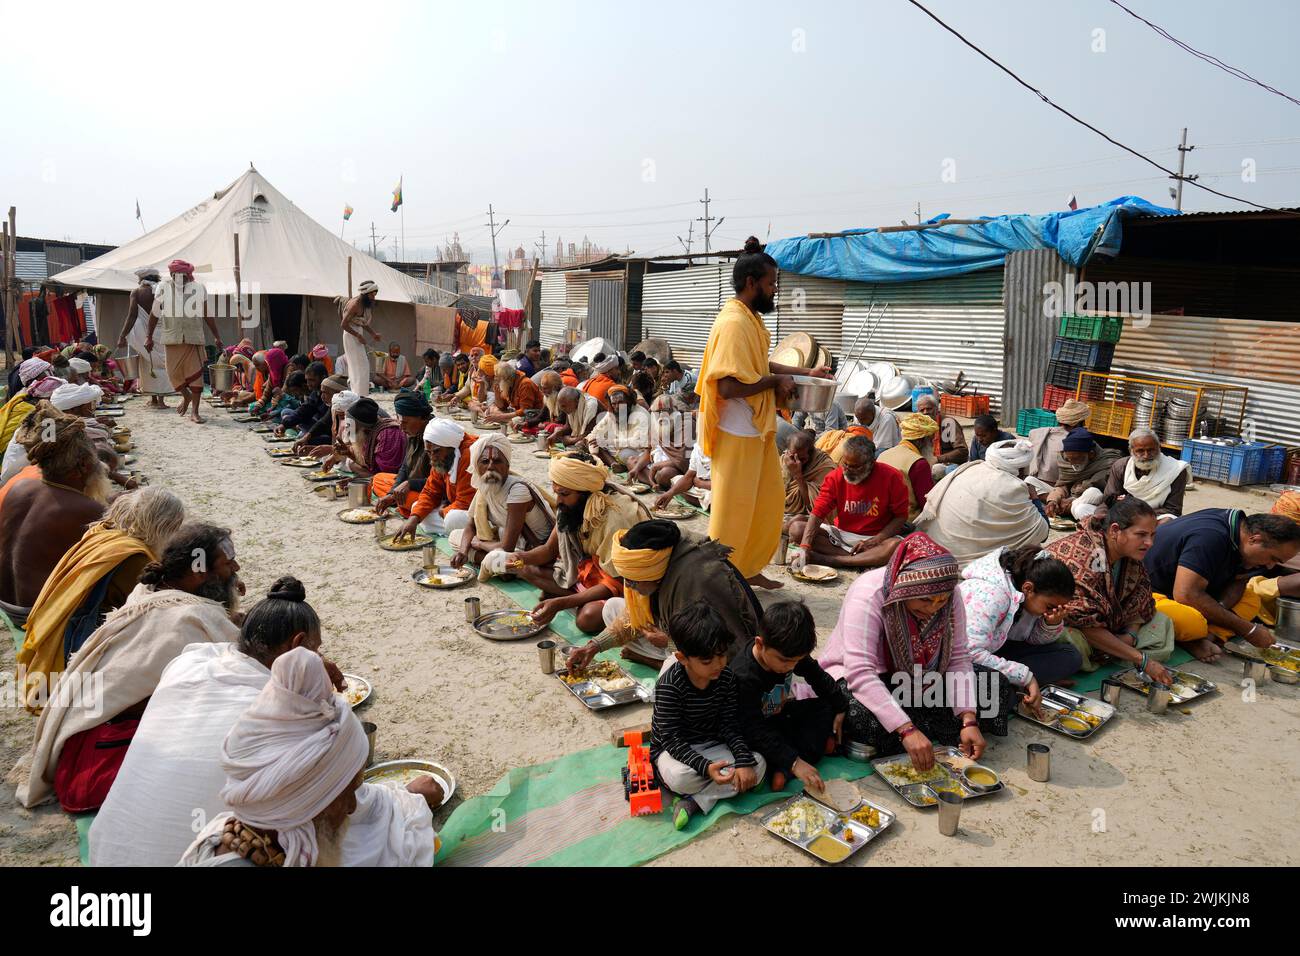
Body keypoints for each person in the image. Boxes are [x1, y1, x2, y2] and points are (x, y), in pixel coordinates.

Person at [89, 578, 361, 866]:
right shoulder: (272, 722)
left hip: (106, 852)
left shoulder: (190, 663)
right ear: (296, 645)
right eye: (314, 650)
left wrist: (305, 670)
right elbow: (329, 795)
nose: (318, 659)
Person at [16, 522, 241, 810]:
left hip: (77, 739)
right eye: (228, 561)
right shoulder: (190, 619)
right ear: (199, 571)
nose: (235, 568)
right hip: (98, 760)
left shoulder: (147, 592)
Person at [179, 648, 439, 866]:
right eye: (347, 793)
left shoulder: (239, 830)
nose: (351, 807)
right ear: (308, 804)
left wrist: (408, 798)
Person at [697, 237, 830, 589]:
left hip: (756, 429)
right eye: (771, 284)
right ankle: (718, 578)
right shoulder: (733, 323)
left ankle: (746, 568)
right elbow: (726, 385)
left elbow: (754, 365)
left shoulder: (749, 319)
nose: (774, 291)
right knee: (732, 512)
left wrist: (805, 373)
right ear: (752, 283)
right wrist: (775, 381)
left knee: (764, 505)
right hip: (735, 431)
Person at [819, 533, 987, 771]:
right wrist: (906, 729)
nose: (933, 609)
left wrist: (968, 719)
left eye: (941, 602)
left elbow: (958, 657)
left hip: (919, 678)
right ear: (904, 590)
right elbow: (861, 672)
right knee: (866, 721)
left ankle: (921, 722)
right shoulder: (869, 593)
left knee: (993, 687)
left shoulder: (950, 594)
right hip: (866, 677)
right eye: (925, 600)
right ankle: (916, 724)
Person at [15, 488, 186, 711]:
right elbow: (158, 613)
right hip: (80, 655)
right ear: (165, 527)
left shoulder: (101, 533)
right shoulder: (135, 558)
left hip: (48, 634)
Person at [566, 519, 763, 669]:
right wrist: (593, 647)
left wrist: (668, 641)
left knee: (672, 674)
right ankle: (663, 657)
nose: (630, 587)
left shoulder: (695, 581)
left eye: (634, 581)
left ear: (652, 572)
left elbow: (721, 648)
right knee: (611, 608)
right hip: (676, 637)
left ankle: (657, 660)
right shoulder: (660, 564)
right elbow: (632, 616)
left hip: (716, 655)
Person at [492, 455, 648, 634]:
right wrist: (520, 558)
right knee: (525, 569)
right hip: (587, 573)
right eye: (556, 492)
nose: (558, 500)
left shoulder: (615, 518)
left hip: (622, 583)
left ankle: (570, 598)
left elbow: (618, 580)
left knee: (587, 619)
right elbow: (549, 550)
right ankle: (575, 597)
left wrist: (561, 604)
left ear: (586, 492)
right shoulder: (570, 506)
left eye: (564, 494)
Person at [650, 604, 766, 831]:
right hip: (675, 751)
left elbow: (730, 725)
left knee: (758, 763)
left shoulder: (726, 678)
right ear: (683, 658)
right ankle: (727, 788)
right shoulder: (669, 686)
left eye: (722, 655)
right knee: (680, 777)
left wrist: (743, 761)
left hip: (713, 744)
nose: (718, 665)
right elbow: (672, 740)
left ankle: (696, 802)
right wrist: (705, 767)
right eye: (707, 661)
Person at [0, 408, 110, 626]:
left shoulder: (20, 486)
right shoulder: (87, 510)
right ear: (84, 466)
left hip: (5, 603)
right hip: (37, 614)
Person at [1144, 508, 1300, 662]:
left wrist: (1220, 609)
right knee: (1192, 622)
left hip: (1194, 591)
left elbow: (1239, 581)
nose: (1271, 566)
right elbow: (1186, 595)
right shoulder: (1210, 537)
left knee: (1251, 600)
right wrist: (1247, 629)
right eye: (1273, 558)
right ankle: (1193, 639)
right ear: (1255, 539)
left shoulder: (1242, 537)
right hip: (1150, 593)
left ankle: (1208, 634)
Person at [1048, 496, 1177, 678]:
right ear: (1115, 530)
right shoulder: (1088, 553)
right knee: (1069, 641)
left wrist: (1130, 635)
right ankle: (1113, 651)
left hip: (1111, 627)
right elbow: (1080, 618)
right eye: (1141, 535)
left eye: (1152, 535)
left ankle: (1113, 650)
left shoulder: (1129, 555)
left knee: (1163, 623)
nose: (1150, 543)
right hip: (1072, 628)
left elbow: (1141, 601)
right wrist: (1142, 660)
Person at [729, 600, 849, 794]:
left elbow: (815, 674)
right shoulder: (744, 675)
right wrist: (794, 762)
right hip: (754, 730)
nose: (791, 667)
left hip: (781, 716)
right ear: (760, 644)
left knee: (824, 708)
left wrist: (840, 706)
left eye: (796, 661)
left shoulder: (790, 653)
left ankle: (787, 766)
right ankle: (787, 767)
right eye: (785, 661)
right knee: (759, 751)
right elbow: (752, 728)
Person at [957, 546, 1082, 716]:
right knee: (998, 699)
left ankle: (1016, 685)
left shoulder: (1025, 593)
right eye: (1050, 607)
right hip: (961, 662)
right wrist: (1025, 676)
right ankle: (1018, 688)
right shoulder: (992, 595)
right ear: (1028, 589)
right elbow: (969, 653)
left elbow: (1031, 639)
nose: (1050, 612)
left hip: (995, 648)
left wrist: (1051, 623)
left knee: (1071, 655)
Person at [913, 439, 1050, 567]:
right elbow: (1042, 532)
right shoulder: (1013, 487)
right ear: (1020, 468)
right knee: (1036, 552)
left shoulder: (970, 469)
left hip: (931, 552)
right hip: (964, 567)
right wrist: (1034, 497)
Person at [788, 436, 909, 570]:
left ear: (871, 463)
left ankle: (834, 560)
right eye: (845, 464)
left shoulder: (892, 477)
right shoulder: (835, 476)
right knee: (796, 529)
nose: (847, 470)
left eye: (855, 467)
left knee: (896, 546)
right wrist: (805, 547)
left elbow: (901, 517)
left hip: (877, 539)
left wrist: (876, 540)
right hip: (841, 536)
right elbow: (818, 512)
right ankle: (859, 560)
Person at [450, 433, 555, 568]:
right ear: (477, 467)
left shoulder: (517, 490)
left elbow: (507, 547)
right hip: (505, 543)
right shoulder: (484, 486)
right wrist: (463, 552)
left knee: (498, 557)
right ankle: (495, 565)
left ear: (507, 465)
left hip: (531, 549)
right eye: (485, 461)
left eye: (497, 461)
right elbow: (471, 525)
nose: (490, 467)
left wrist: (480, 544)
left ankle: (500, 566)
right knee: (454, 536)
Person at [145, 259, 223, 423]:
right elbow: (154, 313)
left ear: (188, 276)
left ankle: (195, 412)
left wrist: (217, 336)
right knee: (172, 373)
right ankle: (185, 396)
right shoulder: (163, 288)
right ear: (172, 275)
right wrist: (149, 336)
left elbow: (207, 314)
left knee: (196, 376)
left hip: (193, 338)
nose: (180, 278)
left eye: (183, 276)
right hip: (172, 337)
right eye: (176, 275)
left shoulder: (199, 288)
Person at [398, 419, 476, 538]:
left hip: (479, 513)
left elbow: (466, 503)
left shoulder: (469, 455)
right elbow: (430, 491)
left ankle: (468, 533)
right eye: (429, 453)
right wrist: (414, 518)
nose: (432, 457)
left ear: (451, 447)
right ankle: (457, 532)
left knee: (452, 518)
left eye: (436, 451)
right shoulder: (440, 458)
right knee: (416, 509)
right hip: (453, 508)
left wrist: (442, 511)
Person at [371, 390, 434, 519]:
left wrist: (410, 484)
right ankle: (398, 500)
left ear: (421, 419)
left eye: (405, 422)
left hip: (430, 492)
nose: (401, 427)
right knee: (378, 479)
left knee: (410, 499)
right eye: (400, 422)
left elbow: (440, 482)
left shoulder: (436, 438)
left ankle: (409, 506)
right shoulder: (413, 433)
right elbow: (404, 467)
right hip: (411, 486)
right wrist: (391, 494)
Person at [1103, 427, 1190, 520]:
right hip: (1124, 516)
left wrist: (1136, 512)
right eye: (1140, 451)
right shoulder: (1120, 466)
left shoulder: (1176, 470)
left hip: (1156, 517)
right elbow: (1109, 500)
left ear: (1159, 448)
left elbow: (1173, 510)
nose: (1146, 455)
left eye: (1151, 450)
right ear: (1131, 451)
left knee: (1166, 522)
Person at [116, 270, 170, 408]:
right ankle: (161, 401)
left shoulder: (136, 292)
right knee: (162, 364)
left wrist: (122, 336)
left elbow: (132, 315)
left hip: (142, 333)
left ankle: (153, 400)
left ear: (141, 279)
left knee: (147, 362)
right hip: (161, 330)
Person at [635, 374, 698, 489]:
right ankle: (653, 483)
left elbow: (683, 459)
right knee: (632, 462)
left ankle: (661, 484)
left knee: (665, 474)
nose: (662, 416)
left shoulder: (686, 423)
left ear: (673, 410)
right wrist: (637, 468)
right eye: (658, 412)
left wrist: (656, 466)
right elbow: (648, 452)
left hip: (677, 467)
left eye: (665, 411)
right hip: (657, 462)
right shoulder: (656, 423)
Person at [1046, 429, 1123, 522]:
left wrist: (1072, 501)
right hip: (1072, 497)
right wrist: (1052, 500)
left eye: (1076, 458)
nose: (1072, 463)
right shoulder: (1066, 461)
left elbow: (1101, 493)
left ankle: (1066, 507)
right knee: (1031, 482)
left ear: (1091, 454)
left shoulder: (1108, 462)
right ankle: (1060, 506)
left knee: (1091, 494)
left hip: (1098, 503)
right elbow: (1063, 485)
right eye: (1069, 459)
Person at [323, 397, 405, 480]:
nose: (348, 431)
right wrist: (349, 454)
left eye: (351, 427)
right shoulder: (370, 432)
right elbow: (369, 465)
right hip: (381, 475)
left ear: (366, 429)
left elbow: (386, 475)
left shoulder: (388, 435)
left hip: (393, 479)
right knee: (352, 464)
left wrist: (359, 480)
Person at [877, 413, 938, 521]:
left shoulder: (883, 455)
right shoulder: (919, 463)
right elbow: (927, 504)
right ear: (921, 441)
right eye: (931, 440)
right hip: (906, 523)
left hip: (879, 517)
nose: (933, 444)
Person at [587, 385, 651, 472]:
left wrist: (609, 441)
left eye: (621, 403)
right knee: (594, 441)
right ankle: (614, 464)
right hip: (616, 449)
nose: (617, 407)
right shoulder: (612, 413)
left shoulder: (641, 414)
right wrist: (594, 453)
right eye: (614, 404)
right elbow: (594, 433)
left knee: (624, 454)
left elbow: (638, 442)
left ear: (628, 401)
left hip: (638, 452)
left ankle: (619, 465)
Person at [1027, 398, 1091, 486]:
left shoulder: (1038, 432)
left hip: (1036, 482)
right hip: (1058, 486)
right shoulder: (1079, 441)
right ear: (1079, 423)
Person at [338, 279, 382, 397]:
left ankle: (359, 394)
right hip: (351, 336)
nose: (374, 297)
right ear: (366, 293)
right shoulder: (355, 304)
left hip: (357, 333)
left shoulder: (364, 304)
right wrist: (357, 335)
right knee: (360, 366)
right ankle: (359, 395)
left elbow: (362, 322)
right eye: (372, 294)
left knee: (360, 366)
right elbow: (343, 324)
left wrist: (373, 333)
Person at [781, 429, 836, 523]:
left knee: (797, 526)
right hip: (784, 511)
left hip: (809, 516)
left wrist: (798, 475)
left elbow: (818, 508)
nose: (796, 461)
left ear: (811, 454)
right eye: (793, 456)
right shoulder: (785, 458)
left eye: (802, 459)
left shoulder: (824, 466)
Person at [0, 357, 52, 456]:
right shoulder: (33, 408)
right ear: (35, 380)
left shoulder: (25, 394)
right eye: (47, 374)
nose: (52, 376)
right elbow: (49, 442)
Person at [915, 393, 968, 478]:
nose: (925, 412)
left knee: (937, 469)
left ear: (936, 409)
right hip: (927, 465)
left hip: (950, 465)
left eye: (929, 409)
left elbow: (963, 451)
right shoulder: (917, 426)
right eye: (922, 410)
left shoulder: (948, 423)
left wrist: (938, 459)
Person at [652, 443, 712, 512]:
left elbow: (724, 486)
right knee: (676, 482)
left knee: (716, 499)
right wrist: (670, 493)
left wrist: (700, 483)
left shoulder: (724, 447)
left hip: (719, 490)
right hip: (702, 488)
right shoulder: (699, 446)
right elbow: (689, 476)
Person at [481, 360, 544, 425]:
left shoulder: (525, 384)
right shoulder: (507, 384)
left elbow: (525, 410)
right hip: (517, 414)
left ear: (505, 378)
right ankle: (503, 419)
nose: (496, 379)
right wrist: (497, 396)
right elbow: (502, 406)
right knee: (492, 409)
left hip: (531, 415)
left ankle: (504, 420)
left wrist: (500, 416)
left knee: (514, 420)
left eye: (498, 377)